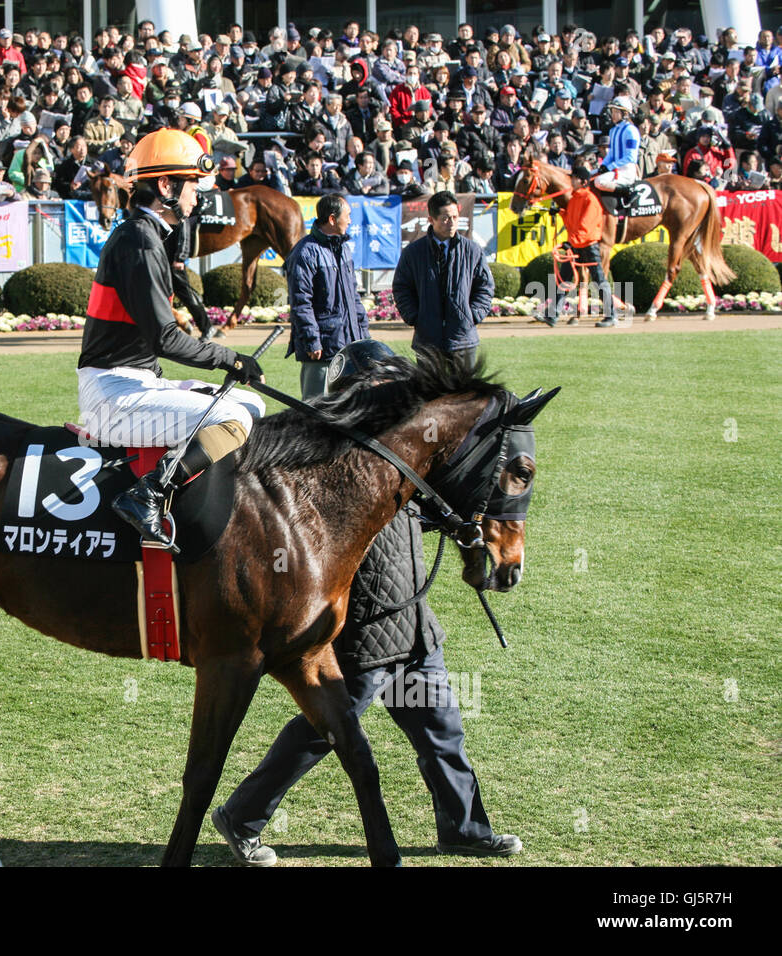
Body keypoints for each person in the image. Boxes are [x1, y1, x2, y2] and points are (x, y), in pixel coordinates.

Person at [211, 339, 523, 866]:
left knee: (443, 734)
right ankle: (240, 816)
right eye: (377, 384)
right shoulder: (334, 458)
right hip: (363, 635)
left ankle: (464, 828)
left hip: (415, 629)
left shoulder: (402, 450)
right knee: (320, 735)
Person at [77, 128, 265, 549]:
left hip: (134, 383)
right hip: (115, 395)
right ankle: (149, 493)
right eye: (192, 186)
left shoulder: (147, 236)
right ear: (165, 185)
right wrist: (228, 357)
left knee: (253, 403)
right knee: (235, 419)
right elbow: (164, 338)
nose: (197, 197)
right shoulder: (139, 239)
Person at [392, 190, 492, 370]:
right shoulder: (414, 252)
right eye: (446, 218)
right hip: (428, 340)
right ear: (431, 219)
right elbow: (402, 288)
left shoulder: (472, 250)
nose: (452, 222)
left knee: (464, 396)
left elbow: (484, 286)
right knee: (430, 396)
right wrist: (415, 317)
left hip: (463, 339)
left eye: (455, 217)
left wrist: (472, 315)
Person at [285, 193, 368, 398]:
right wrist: (312, 340)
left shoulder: (344, 249)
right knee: (315, 409)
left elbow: (353, 297)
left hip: (350, 346)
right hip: (322, 348)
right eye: (347, 215)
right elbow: (301, 302)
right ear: (332, 219)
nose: (350, 220)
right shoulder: (305, 252)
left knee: (348, 408)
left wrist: (363, 334)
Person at [546, 165, 616, 328]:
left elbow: (585, 226)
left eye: (575, 178)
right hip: (576, 245)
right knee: (563, 278)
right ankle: (552, 314)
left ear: (583, 181)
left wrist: (571, 242)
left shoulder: (590, 200)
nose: (572, 180)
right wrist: (560, 213)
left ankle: (611, 315)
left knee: (598, 279)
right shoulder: (575, 199)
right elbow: (572, 221)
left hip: (588, 246)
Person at [592, 95, 640, 206]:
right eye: (612, 111)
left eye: (616, 112)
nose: (612, 115)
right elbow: (612, 153)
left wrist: (610, 167)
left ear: (625, 114)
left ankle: (629, 191)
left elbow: (630, 157)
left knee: (599, 182)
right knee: (588, 175)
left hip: (626, 171)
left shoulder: (631, 131)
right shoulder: (613, 130)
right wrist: (603, 165)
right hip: (615, 168)